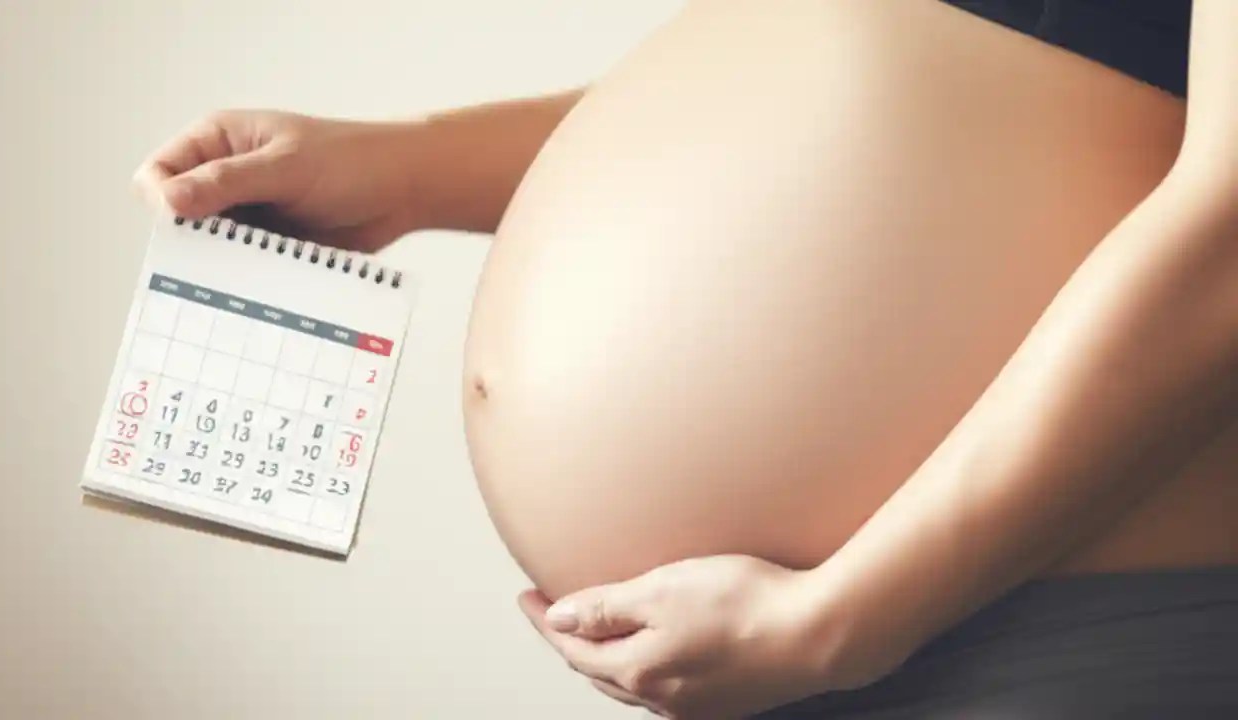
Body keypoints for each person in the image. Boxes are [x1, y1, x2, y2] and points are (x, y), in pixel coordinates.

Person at [134, 0, 1238, 716]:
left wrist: (844, 620)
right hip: (786, 651)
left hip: (1049, 602)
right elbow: (822, 83)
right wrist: (413, 168)